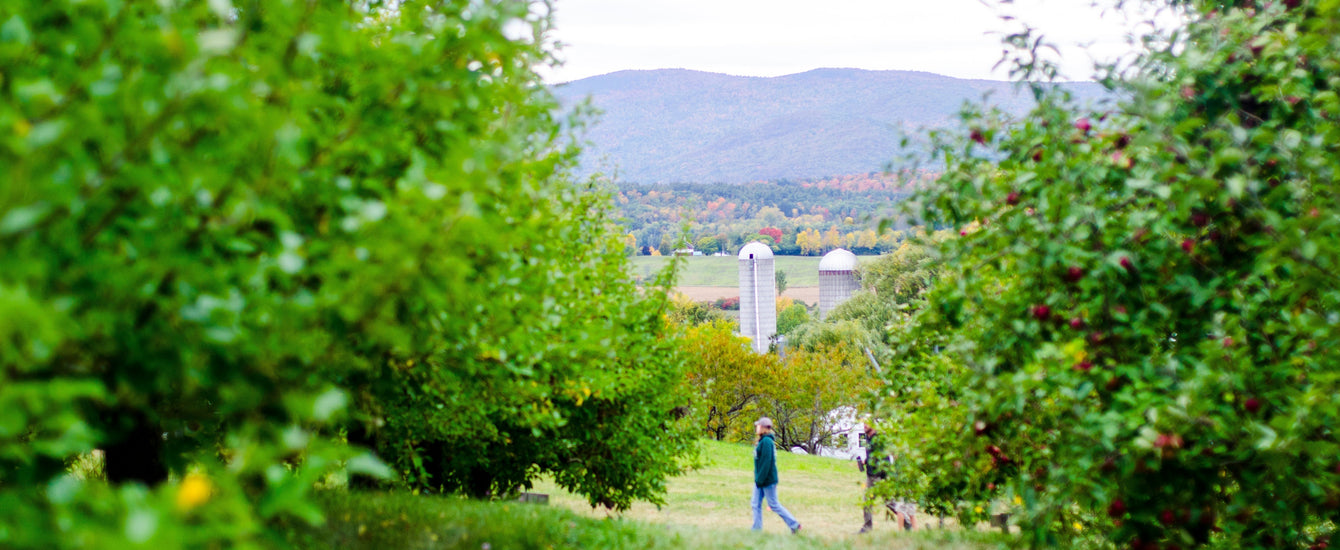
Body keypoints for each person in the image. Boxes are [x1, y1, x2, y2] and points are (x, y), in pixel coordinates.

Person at [857, 422, 915, 533]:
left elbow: (886, 456)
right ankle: (867, 526)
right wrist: (865, 461)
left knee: (890, 503)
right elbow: (872, 456)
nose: (864, 426)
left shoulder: (880, 439)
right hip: (870, 476)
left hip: (880, 476)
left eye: (867, 424)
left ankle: (907, 525)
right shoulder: (868, 438)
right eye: (863, 424)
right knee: (867, 501)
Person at [751, 417, 802, 534]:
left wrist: (760, 479)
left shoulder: (767, 442)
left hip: (767, 480)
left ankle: (794, 524)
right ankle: (756, 530)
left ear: (763, 428)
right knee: (755, 504)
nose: (756, 427)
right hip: (760, 479)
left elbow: (766, 462)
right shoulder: (762, 440)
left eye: (758, 426)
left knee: (773, 504)